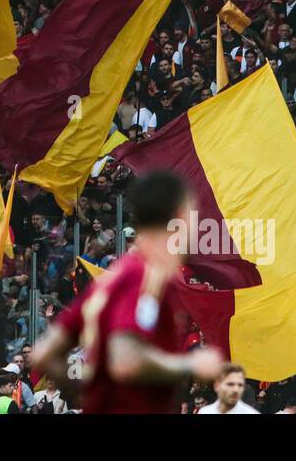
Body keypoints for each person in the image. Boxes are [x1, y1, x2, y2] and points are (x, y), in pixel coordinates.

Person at [31, 171, 224, 412]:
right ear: (179, 217)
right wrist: (190, 364)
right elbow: (125, 359)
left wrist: (97, 393)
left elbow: (43, 354)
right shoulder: (144, 276)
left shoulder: (114, 279)